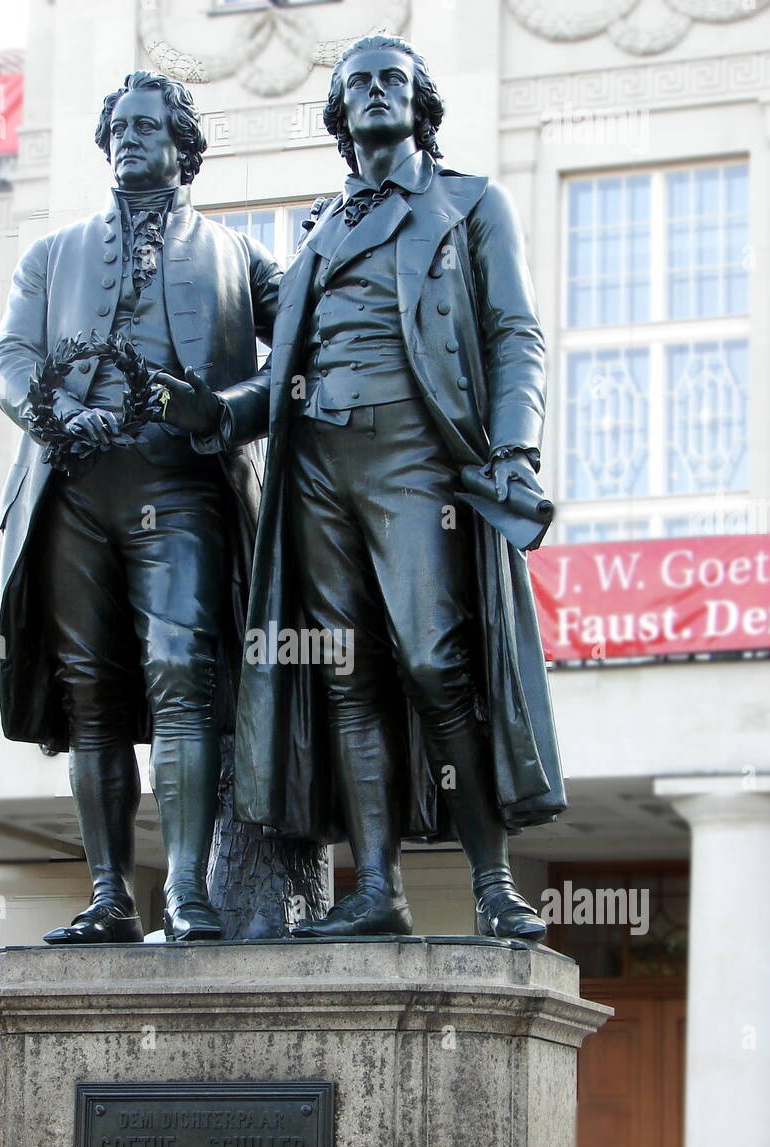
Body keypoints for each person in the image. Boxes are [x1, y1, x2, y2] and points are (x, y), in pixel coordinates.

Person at [234, 34, 565, 940]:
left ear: (421, 105)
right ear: (339, 116)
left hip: (417, 459)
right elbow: (279, 376)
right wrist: (210, 414)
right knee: (348, 677)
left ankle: (493, 882)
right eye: (357, 84)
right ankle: (375, 888)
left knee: (433, 660)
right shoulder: (314, 228)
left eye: (394, 79)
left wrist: (515, 448)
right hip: (315, 468)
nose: (376, 92)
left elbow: (514, 334)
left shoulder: (468, 203)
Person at [0, 71, 280, 944]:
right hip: (73, 493)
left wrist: (222, 412)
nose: (128, 139)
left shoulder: (238, 256)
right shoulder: (51, 255)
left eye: (148, 127)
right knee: (91, 695)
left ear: (183, 146)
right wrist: (47, 411)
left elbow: (301, 360)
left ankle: (186, 893)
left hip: (181, 488)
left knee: (184, 677)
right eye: (117, 127)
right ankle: (110, 893)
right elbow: (8, 355)